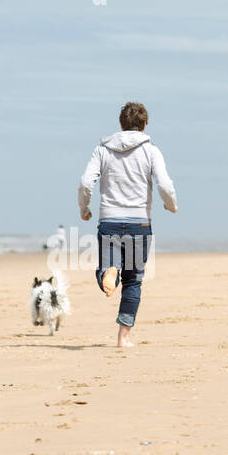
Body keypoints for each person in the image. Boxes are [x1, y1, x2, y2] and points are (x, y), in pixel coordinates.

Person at [78, 101, 178, 348]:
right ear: (145, 125)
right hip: (139, 225)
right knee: (133, 280)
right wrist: (171, 204)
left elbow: (85, 182)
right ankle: (124, 338)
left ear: (120, 125)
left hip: (110, 221)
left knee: (107, 267)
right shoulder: (151, 151)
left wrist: (84, 207)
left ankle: (109, 270)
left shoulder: (102, 149)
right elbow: (164, 185)